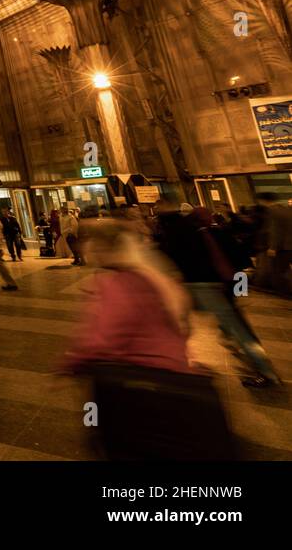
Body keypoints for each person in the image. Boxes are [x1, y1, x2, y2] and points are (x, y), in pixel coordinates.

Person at [61, 218, 234, 459]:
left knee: (110, 434)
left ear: (101, 248)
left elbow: (103, 337)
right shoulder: (155, 275)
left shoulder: (115, 283)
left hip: (134, 381)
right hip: (175, 371)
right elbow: (183, 322)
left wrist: (71, 362)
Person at [158, 203, 281, 388]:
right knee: (234, 324)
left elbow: (170, 258)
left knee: (230, 327)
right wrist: (239, 289)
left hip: (197, 287)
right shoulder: (216, 233)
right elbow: (240, 259)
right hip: (215, 286)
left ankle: (266, 372)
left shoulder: (183, 235)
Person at [256, 192, 292, 295]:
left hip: (283, 246)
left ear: (263, 200)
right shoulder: (286, 209)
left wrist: (273, 247)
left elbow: (275, 230)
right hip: (289, 244)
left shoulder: (272, 211)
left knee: (280, 271)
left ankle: (285, 292)